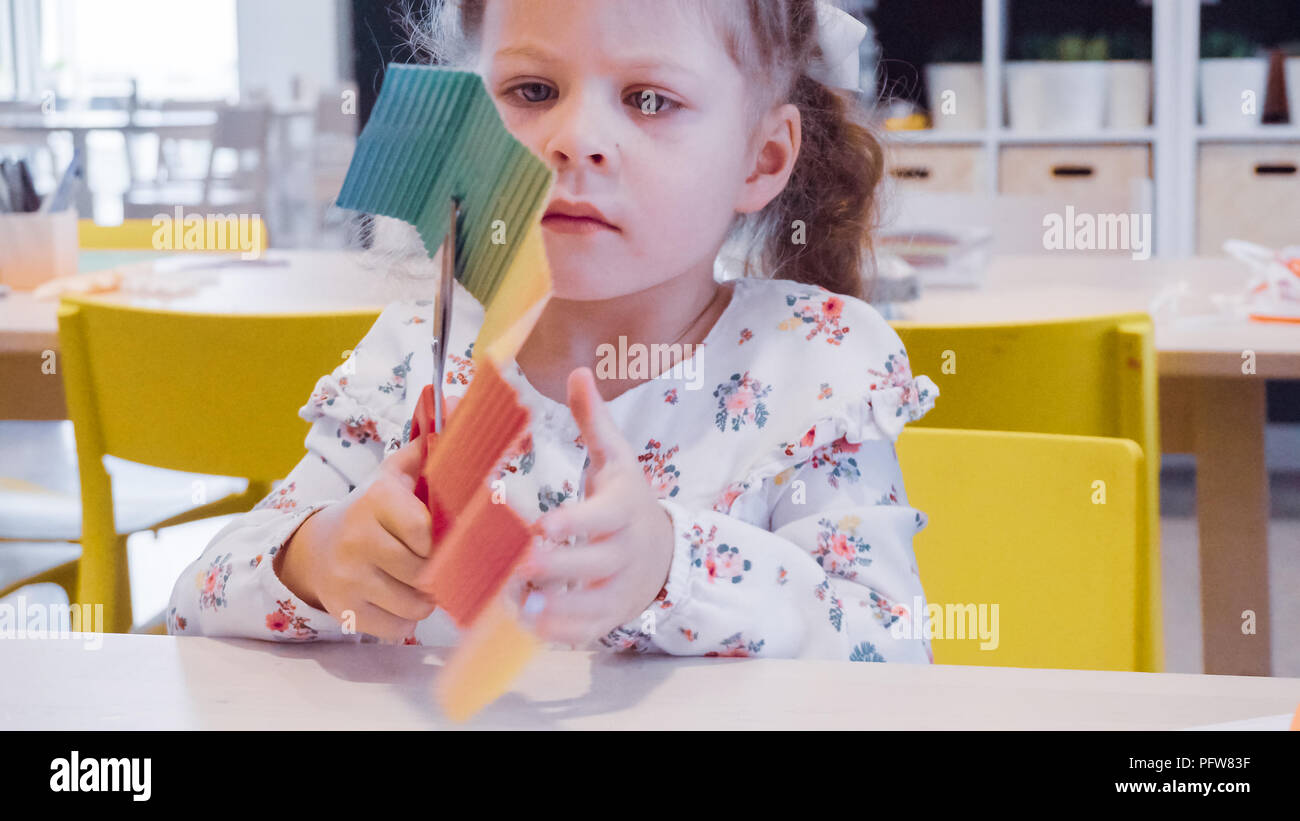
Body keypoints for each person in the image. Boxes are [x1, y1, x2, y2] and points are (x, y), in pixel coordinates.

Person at [168, 0, 938, 664]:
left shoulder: (816, 364)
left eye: (648, 99)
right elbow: (194, 603)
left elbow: (891, 648)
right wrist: (318, 560)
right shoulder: (412, 361)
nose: (574, 137)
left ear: (761, 158)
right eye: (532, 90)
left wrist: (674, 566)